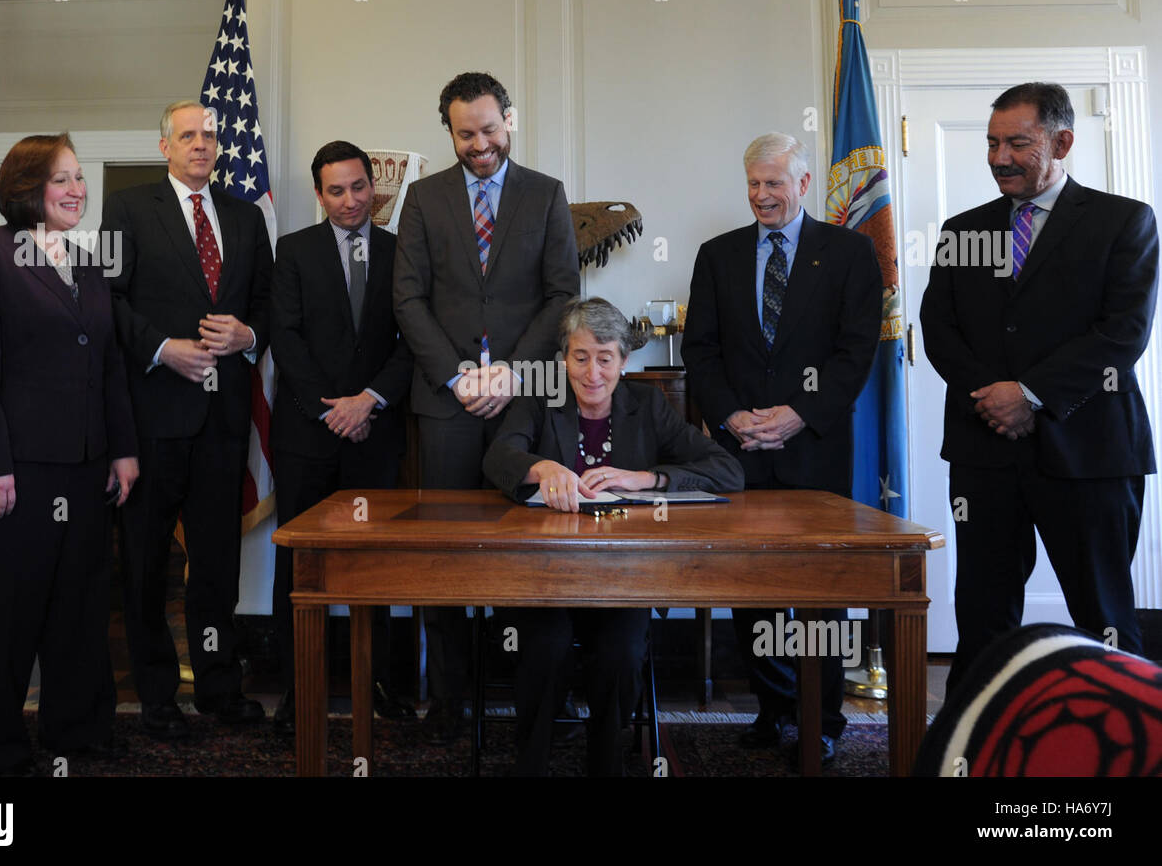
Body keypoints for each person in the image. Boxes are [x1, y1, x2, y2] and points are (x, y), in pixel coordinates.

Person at [920, 82, 1158, 697]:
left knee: (1104, 617)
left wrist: (1029, 393)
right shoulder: (961, 230)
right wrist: (995, 397)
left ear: (1063, 141)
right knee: (981, 617)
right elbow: (939, 331)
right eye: (993, 143)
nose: (1000, 157)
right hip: (985, 454)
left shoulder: (1123, 221)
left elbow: (1122, 334)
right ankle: (967, 749)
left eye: (1018, 143)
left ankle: (1126, 753)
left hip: (1089, 451)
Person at [0, 133, 139, 775]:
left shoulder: (86, 265)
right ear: (27, 190)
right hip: (5, 469)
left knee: (77, 602)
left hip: (81, 467)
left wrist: (122, 451)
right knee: (1, 608)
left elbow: (108, 366)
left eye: (80, 179)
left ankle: (75, 730)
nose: (78, 190)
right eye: (62, 179)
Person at [681, 132, 882, 766]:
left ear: (802, 185)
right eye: (753, 184)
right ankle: (773, 708)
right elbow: (701, 353)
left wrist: (799, 415)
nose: (761, 195)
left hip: (815, 450)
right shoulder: (717, 255)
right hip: (740, 450)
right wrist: (732, 415)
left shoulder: (849, 252)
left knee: (819, 589)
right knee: (751, 587)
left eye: (774, 183)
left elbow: (857, 353)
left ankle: (822, 717)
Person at [394, 71, 580, 741]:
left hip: (523, 402)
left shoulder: (547, 194)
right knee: (445, 553)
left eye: (490, 131)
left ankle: (536, 699)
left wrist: (510, 371)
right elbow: (407, 298)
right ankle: (449, 705)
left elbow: (562, 294)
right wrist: (456, 377)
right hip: (445, 407)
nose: (479, 145)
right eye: (464, 133)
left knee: (529, 554)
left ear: (511, 119)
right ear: (448, 129)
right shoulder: (421, 199)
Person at [484, 297, 742, 775]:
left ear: (624, 361)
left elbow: (726, 469)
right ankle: (531, 761)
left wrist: (648, 478)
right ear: (564, 359)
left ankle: (606, 759)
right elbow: (497, 458)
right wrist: (540, 468)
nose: (592, 372)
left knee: (621, 651)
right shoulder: (542, 399)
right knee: (545, 646)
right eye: (580, 357)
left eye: (605, 358)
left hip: (622, 578)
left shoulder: (645, 405)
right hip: (545, 578)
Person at [102, 100, 273, 738]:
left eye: (209, 135)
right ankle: (156, 697)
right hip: (152, 418)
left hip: (224, 419)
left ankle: (218, 686)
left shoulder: (246, 216)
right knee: (146, 564)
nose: (201, 144)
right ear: (164, 146)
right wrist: (160, 348)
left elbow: (267, 300)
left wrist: (248, 333)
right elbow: (108, 297)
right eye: (188, 136)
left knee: (216, 563)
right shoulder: (127, 209)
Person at [269, 141, 414, 734]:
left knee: (371, 564)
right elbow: (286, 336)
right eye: (337, 190)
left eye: (359, 187)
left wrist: (368, 401)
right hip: (307, 435)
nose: (351, 200)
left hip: (375, 434)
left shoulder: (403, 251)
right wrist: (332, 411)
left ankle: (377, 680)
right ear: (319, 193)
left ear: (372, 187)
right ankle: (296, 693)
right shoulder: (293, 251)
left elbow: (413, 341)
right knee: (298, 567)